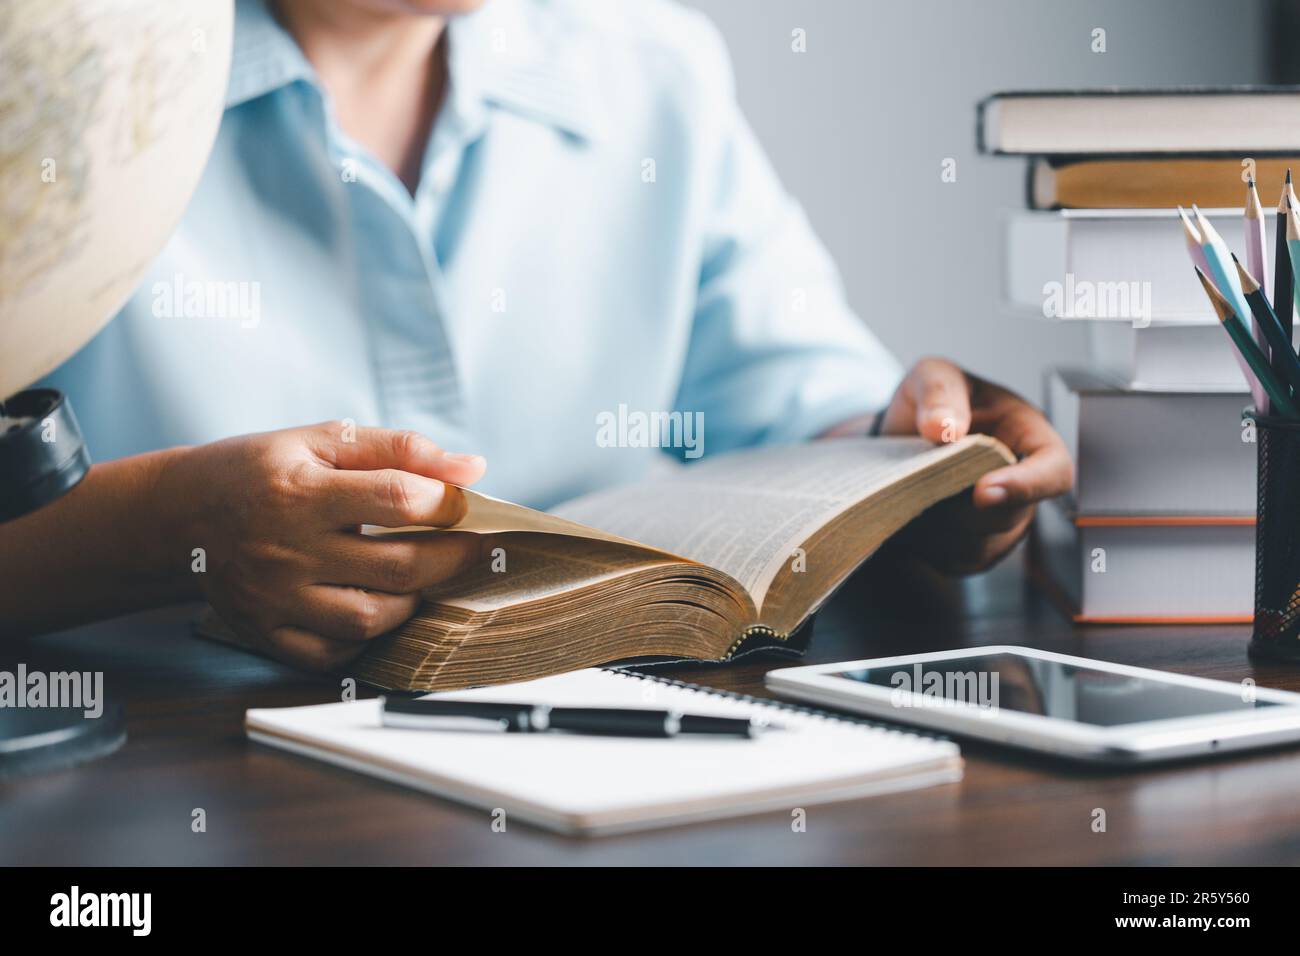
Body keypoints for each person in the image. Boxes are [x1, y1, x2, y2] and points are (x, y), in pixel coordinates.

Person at [3, 0, 1072, 670]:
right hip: (155, 782)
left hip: (613, 752)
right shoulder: (50, 75)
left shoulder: (649, 70)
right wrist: (170, 535)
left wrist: (925, 458)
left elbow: (799, 401)